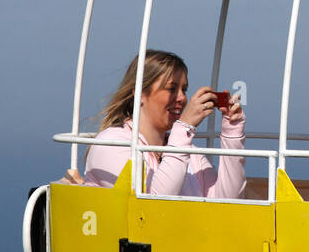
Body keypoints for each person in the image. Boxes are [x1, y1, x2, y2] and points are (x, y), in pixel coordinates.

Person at [82, 49, 247, 199]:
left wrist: (232, 132)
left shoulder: (191, 154)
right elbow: (151, 207)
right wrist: (185, 127)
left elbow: (227, 201)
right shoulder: (111, 143)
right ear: (139, 92)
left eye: (184, 89)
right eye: (171, 89)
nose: (182, 98)